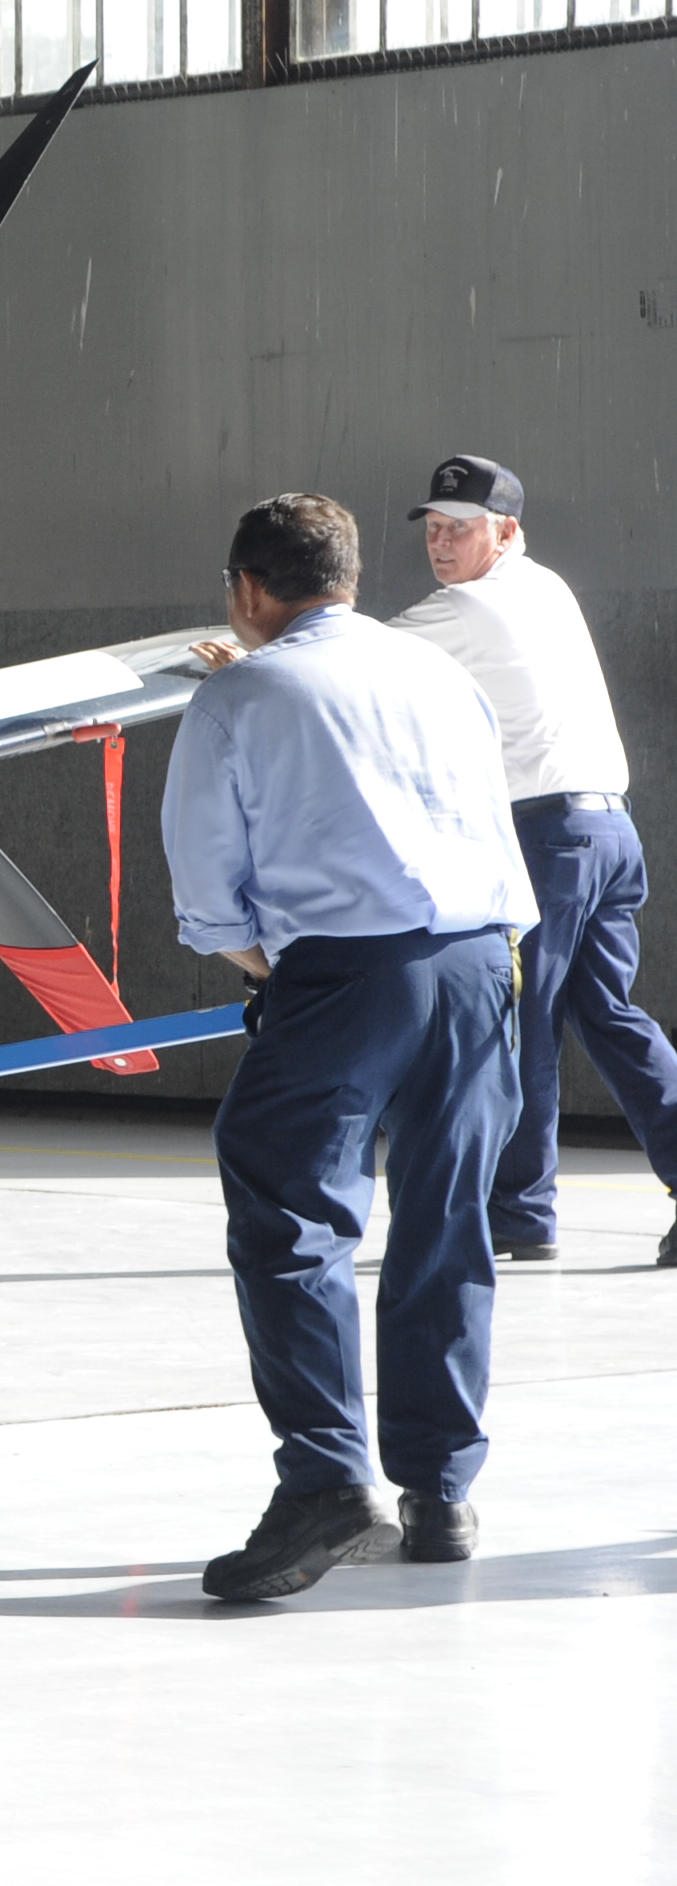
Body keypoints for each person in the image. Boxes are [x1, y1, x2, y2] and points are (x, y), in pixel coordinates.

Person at [165, 492, 532, 1603]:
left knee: (286, 1211)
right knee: (444, 1219)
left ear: (243, 589)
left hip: (343, 974)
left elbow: (206, 893)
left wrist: (273, 979)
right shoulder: (435, 674)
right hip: (479, 964)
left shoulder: (241, 689)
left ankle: (326, 1480)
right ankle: (437, 1489)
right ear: (350, 578)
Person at [384, 456, 677, 1268]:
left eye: (461, 529)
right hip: (611, 834)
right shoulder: (549, 588)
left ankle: (518, 1212)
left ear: (506, 532)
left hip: (549, 837)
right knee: (611, 1017)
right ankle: (530, 1209)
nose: (441, 546)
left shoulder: (471, 606)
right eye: (434, 530)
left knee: (522, 1024)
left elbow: (354, 656)